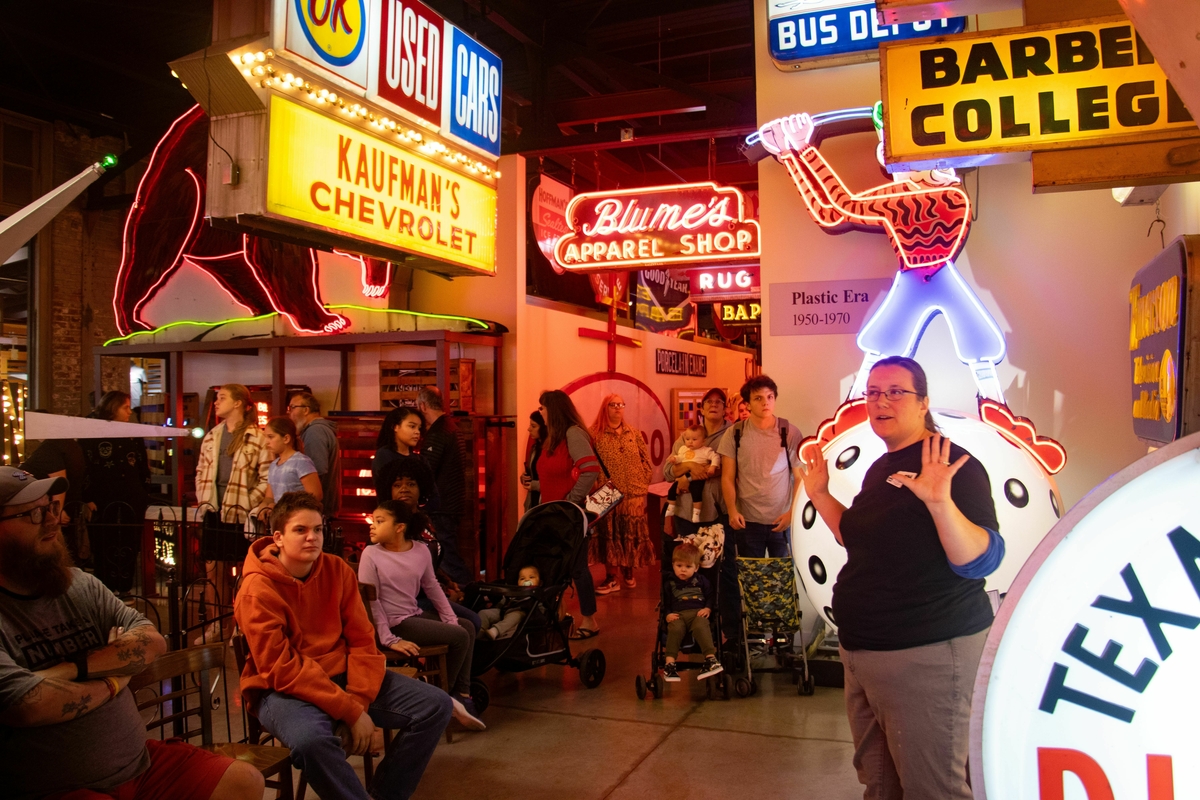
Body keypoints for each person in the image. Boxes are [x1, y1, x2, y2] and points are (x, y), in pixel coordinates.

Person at [802, 356, 1004, 800]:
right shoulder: (883, 466)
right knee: (880, 783)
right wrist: (819, 493)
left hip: (925, 655)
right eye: (873, 392)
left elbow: (981, 560)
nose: (881, 401)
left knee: (934, 789)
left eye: (896, 391)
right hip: (865, 654)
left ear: (923, 402)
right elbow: (853, 534)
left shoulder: (954, 466)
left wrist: (939, 503)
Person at [0, 467, 264, 800]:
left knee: (244, 781)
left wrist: (71, 670)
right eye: (34, 514)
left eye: (51, 507)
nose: (54, 520)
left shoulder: (79, 586)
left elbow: (151, 641)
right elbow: (28, 706)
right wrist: (115, 679)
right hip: (57, 786)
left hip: (141, 764)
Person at [234, 492, 454, 800]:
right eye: (300, 530)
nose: (312, 537)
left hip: (342, 674)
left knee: (436, 706)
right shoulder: (257, 590)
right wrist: (351, 713)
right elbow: (280, 669)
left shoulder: (337, 570)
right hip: (282, 690)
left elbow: (363, 640)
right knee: (311, 742)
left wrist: (357, 703)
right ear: (278, 538)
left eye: (318, 529)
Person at [358, 500, 485, 729]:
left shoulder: (420, 550)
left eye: (380, 521)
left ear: (400, 527)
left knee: (465, 627)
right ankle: (442, 699)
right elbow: (371, 602)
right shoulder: (370, 554)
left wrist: (450, 620)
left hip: (412, 615)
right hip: (392, 624)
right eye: (373, 520)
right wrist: (389, 639)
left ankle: (459, 694)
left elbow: (433, 587)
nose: (372, 526)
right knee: (460, 636)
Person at [195, 384, 272, 643]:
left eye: (223, 398)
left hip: (240, 513)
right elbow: (200, 471)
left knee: (243, 573)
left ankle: (240, 627)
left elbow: (266, 476)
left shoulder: (257, 437)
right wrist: (204, 497)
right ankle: (216, 626)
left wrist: (248, 502)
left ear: (238, 403)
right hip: (214, 510)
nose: (217, 403)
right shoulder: (212, 436)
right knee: (213, 571)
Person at [379, 457, 481, 634]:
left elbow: (429, 560)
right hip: (407, 601)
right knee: (468, 625)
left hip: (430, 592)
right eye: (397, 485)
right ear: (389, 490)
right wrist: (442, 591)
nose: (404, 489)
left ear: (421, 489)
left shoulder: (424, 522)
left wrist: (447, 581)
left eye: (411, 484)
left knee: (475, 614)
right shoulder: (388, 526)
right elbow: (400, 573)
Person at [536, 389, 601, 639]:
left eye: (543, 407)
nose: (540, 411)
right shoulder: (553, 437)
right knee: (555, 568)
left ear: (554, 410)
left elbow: (590, 469)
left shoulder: (573, 434)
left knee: (577, 568)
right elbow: (550, 477)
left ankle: (590, 619)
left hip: (570, 516)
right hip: (551, 515)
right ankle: (559, 615)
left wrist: (571, 502)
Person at [718, 375, 804, 558]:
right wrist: (732, 510)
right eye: (758, 398)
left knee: (782, 579)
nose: (766, 403)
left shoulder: (788, 432)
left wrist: (792, 512)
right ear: (747, 404)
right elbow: (727, 477)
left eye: (770, 397)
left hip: (781, 520)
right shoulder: (734, 434)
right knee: (751, 579)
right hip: (747, 520)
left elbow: (799, 477)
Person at [80, 391, 152, 594]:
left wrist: (143, 493)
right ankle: (105, 589)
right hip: (103, 496)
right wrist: (88, 497)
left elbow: (141, 465)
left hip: (131, 496)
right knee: (104, 541)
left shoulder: (132, 434)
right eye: (125, 407)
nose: (130, 412)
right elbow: (85, 465)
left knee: (130, 541)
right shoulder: (92, 432)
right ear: (113, 408)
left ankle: (125, 587)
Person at [589, 393, 654, 594]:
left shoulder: (633, 433)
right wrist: (598, 483)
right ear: (604, 408)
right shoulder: (594, 434)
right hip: (606, 493)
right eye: (613, 404)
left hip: (633, 491)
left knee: (630, 533)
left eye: (621, 404)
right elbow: (588, 464)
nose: (618, 408)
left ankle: (628, 570)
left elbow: (645, 459)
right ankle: (612, 576)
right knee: (610, 534)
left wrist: (644, 478)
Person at [415, 387, 472, 585]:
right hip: (452, 503)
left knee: (447, 559)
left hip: (442, 506)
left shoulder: (439, 432)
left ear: (422, 406)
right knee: (447, 555)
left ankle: (470, 597)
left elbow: (426, 469)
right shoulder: (451, 427)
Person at [661, 543, 723, 683]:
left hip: (698, 613)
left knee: (702, 625)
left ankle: (711, 659)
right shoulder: (670, 583)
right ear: (673, 565)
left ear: (696, 568)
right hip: (679, 614)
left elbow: (710, 595)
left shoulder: (701, 580)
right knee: (675, 628)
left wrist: (708, 608)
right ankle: (670, 664)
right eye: (679, 566)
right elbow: (667, 602)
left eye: (688, 567)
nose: (683, 570)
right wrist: (668, 614)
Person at [288, 392, 342, 516]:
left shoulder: (315, 432)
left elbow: (317, 471)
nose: (289, 413)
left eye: (292, 407)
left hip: (318, 509)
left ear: (306, 410)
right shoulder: (317, 429)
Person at [261, 416, 323, 513]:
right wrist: (263, 507)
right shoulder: (273, 465)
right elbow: (269, 497)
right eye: (266, 437)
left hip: (297, 518)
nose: (267, 442)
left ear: (286, 438)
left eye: (271, 437)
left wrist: (280, 507)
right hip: (280, 520)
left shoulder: (301, 461)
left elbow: (315, 496)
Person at [665, 424, 717, 524]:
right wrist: (675, 460)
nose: (690, 442)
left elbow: (715, 458)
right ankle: (670, 508)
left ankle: (696, 513)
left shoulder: (705, 450)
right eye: (687, 439)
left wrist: (713, 466)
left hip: (698, 478)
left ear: (703, 441)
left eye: (694, 439)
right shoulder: (683, 449)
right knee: (672, 490)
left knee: (696, 493)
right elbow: (675, 462)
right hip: (684, 477)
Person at [372, 406, 425, 501]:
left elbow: (432, 494)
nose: (417, 432)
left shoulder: (420, 459)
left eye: (419, 428)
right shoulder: (384, 455)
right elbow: (386, 493)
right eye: (412, 426)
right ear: (395, 427)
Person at [477, 565, 539, 641]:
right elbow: (504, 601)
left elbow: (541, 609)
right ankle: (479, 632)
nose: (526, 580)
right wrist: (498, 606)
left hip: (520, 613)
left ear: (540, 583)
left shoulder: (537, 596)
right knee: (483, 613)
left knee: (514, 617)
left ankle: (496, 630)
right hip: (504, 611)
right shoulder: (515, 592)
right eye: (522, 579)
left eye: (531, 577)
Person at [520, 411, 547, 512]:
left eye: (533, 426)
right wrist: (524, 478)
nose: (529, 429)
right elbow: (532, 472)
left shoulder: (551, 450)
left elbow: (555, 482)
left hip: (544, 503)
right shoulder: (534, 448)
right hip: (532, 502)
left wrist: (535, 485)